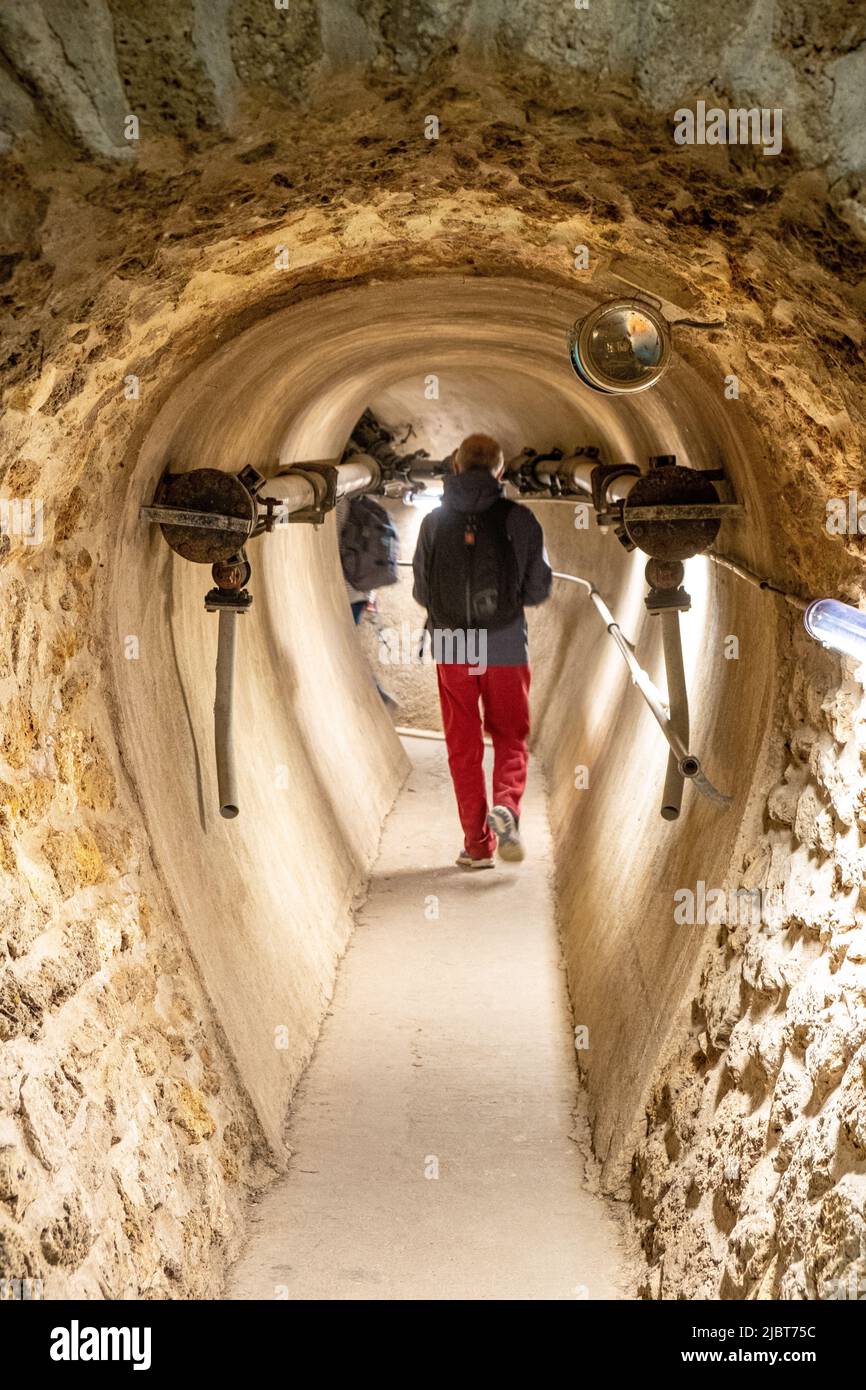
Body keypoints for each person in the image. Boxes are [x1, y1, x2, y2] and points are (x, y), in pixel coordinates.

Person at [412, 433, 552, 868]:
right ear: (500, 470)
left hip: (453, 644)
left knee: (463, 744)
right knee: (510, 735)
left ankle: (477, 846)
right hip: (505, 643)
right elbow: (537, 589)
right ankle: (506, 807)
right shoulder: (520, 519)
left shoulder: (433, 522)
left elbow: (421, 591)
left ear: (454, 467)